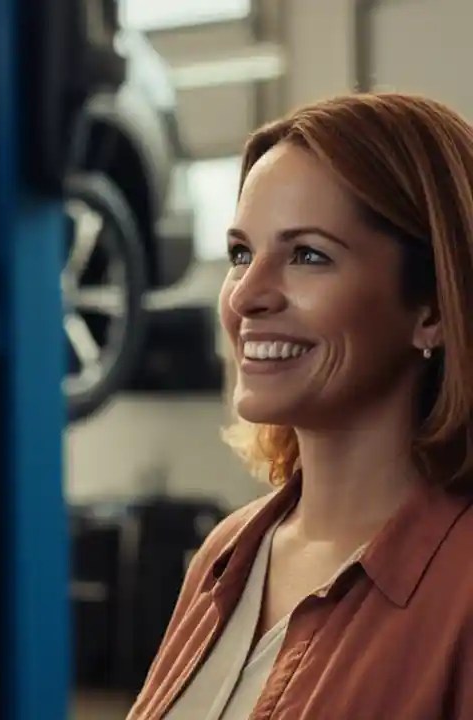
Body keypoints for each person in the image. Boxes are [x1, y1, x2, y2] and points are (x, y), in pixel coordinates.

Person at [128, 92, 473, 720]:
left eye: (307, 255)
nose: (246, 295)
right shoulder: (229, 552)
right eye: (240, 254)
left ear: (433, 309)